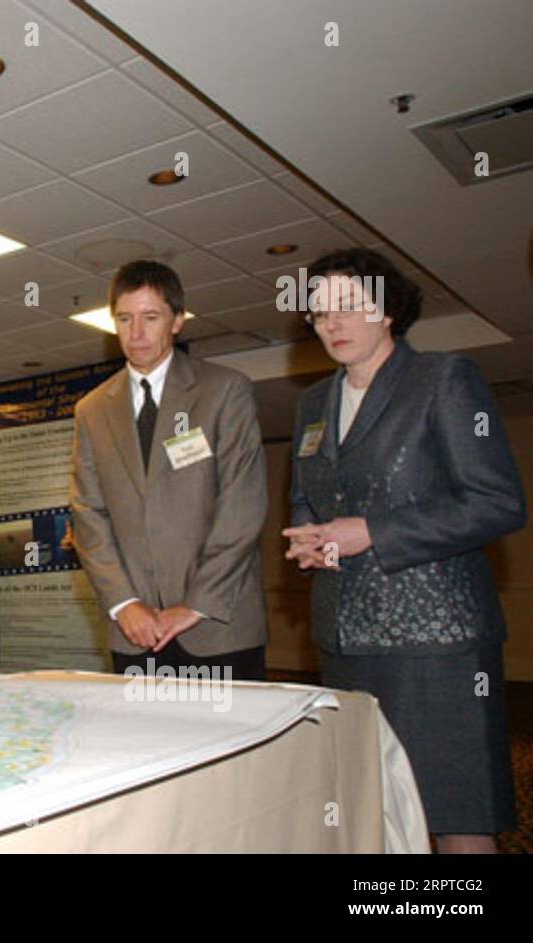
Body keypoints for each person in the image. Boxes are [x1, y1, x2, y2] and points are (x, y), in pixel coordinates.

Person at [283, 248, 525, 853]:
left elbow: (498, 503)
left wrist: (373, 532)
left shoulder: (444, 379)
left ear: (387, 309)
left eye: (349, 306)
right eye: (318, 314)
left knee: (453, 819)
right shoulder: (313, 404)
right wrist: (315, 543)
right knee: (376, 816)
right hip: (346, 646)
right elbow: (306, 502)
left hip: (437, 647)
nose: (332, 323)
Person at [70, 260, 268, 680]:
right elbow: (88, 513)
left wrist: (193, 604)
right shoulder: (91, 410)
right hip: (135, 633)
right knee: (147, 745)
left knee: (230, 745)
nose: (135, 333)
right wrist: (124, 603)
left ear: (178, 321)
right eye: (124, 319)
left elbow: (242, 508)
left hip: (218, 627)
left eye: (150, 318)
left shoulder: (224, 391)